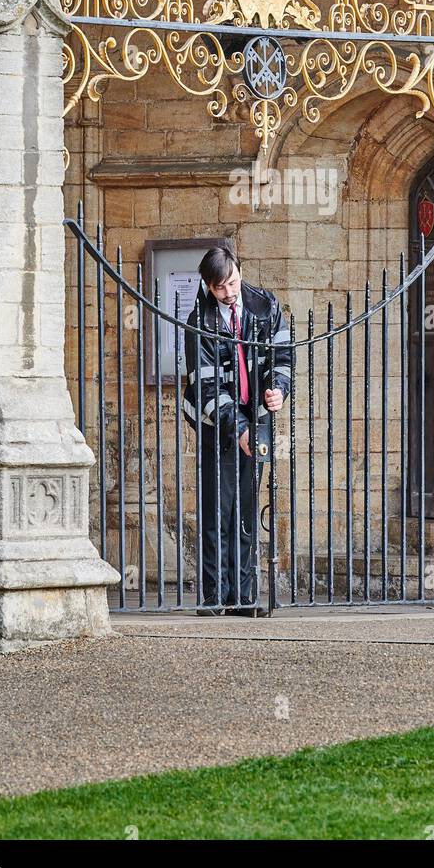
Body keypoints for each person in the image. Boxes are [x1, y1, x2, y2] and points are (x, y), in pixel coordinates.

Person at [183, 242, 291, 617]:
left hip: (256, 417)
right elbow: (208, 387)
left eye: (232, 283)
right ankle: (215, 597)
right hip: (218, 424)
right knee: (217, 509)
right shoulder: (200, 321)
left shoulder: (266, 306)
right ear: (208, 287)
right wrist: (239, 429)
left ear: (239, 271)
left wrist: (278, 388)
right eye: (219, 288)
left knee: (246, 508)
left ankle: (245, 597)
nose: (229, 293)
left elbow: (283, 356)